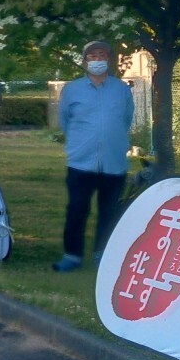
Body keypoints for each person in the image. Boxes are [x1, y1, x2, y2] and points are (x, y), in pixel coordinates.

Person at [54, 40, 135, 272]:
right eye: (92, 56)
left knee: (109, 211)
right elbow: (65, 121)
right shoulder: (72, 90)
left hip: (114, 162)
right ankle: (72, 255)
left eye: (102, 55)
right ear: (84, 61)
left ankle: (103, 254)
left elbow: (126, 119)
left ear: (109, 60)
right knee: (77, 209)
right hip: (81, 162)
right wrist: (82, 144)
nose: (97, 59)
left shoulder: (121, 89)